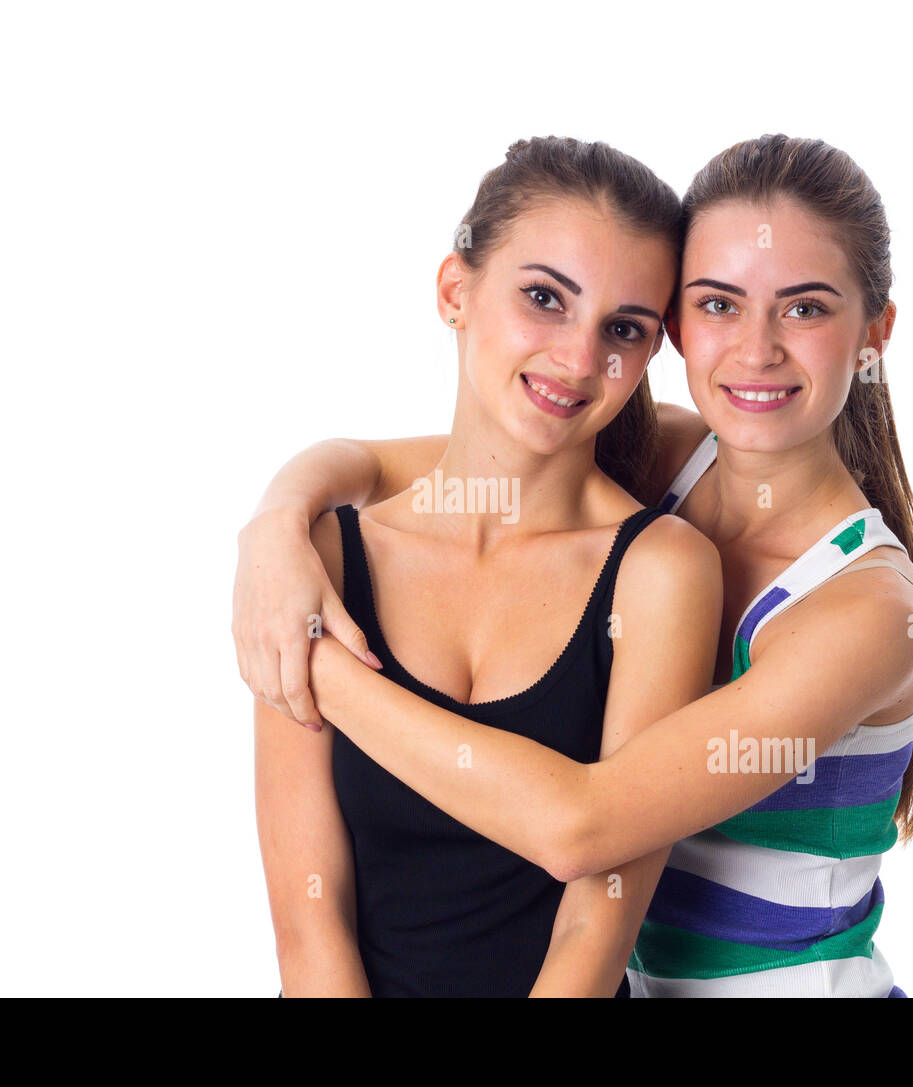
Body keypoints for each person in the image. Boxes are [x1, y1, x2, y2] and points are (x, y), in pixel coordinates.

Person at [237, 133, 913, 997]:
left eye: (805, 309)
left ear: (875, 333)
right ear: (678, 329)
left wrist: (305, 666)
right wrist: (271, 529)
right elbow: (396, 465)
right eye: (720, 304)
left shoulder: (862, 607)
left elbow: (583, 826)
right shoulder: (663, 462)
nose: (757, 350)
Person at [252, 136, 724, 997]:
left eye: (623, 329)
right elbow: (309, 921)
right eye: (545, 298)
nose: (580, 361)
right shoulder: (319, 554)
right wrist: (275, 517)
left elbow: (595, 925)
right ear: (455, 291)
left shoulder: (661, 573)